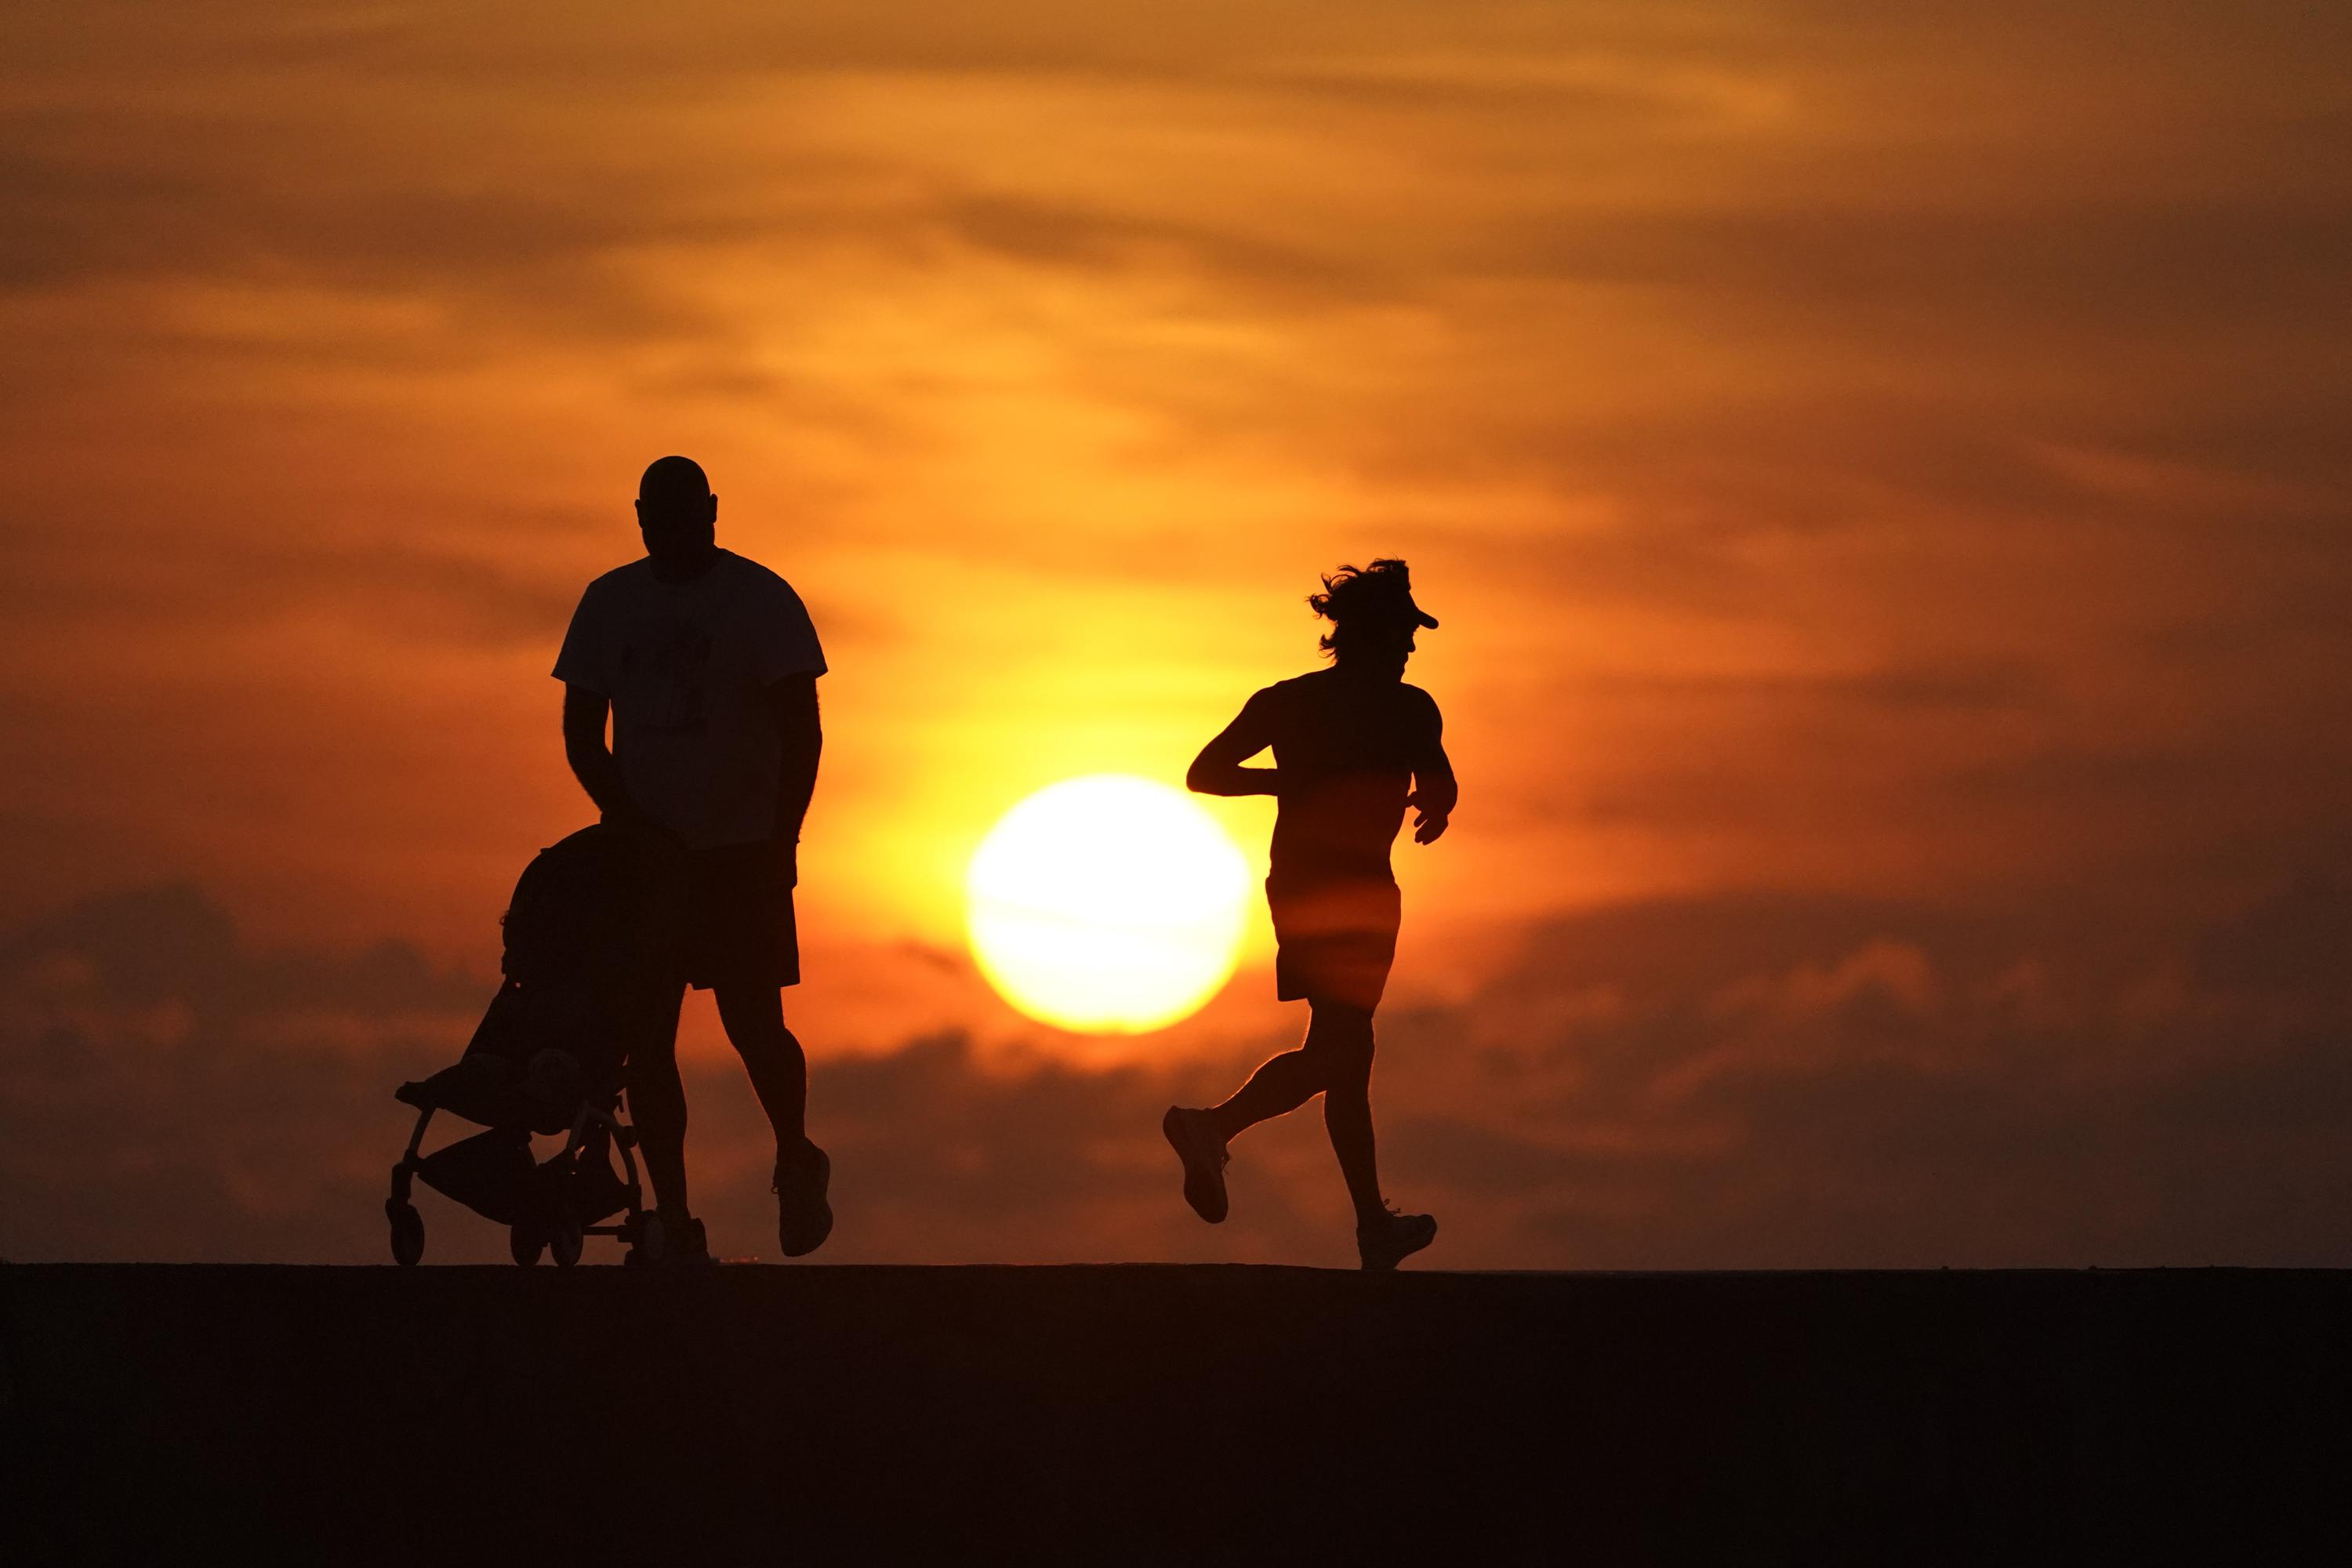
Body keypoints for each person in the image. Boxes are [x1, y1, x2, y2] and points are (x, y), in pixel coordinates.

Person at [554, 455, 833, 1262]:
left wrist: (783, 838)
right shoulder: (610, 602)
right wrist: (628, 821)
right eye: (656, 517)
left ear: (713, 510)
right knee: (647, 1041)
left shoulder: (762, 599)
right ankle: (673, 1220)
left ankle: (795, 1152)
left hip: (741, 852)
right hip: (647, 862)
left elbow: (803, 730)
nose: (672, 532)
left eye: (686, 515)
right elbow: (581, 734)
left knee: (754, 1026)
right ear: (638, 517)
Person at [1164, 559, 1457, 1271]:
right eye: (1403, 633)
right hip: (1345, 891)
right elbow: (1203, 773)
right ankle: (1213, 1126)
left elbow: (1439, 782)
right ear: (1369, 633)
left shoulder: (1304, 703)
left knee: (1347, 1056)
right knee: (1346, 1050)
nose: (1412, 648)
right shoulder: (1393, 706)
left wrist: (1430, 803)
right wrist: (1432, 804)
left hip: (1315, 885)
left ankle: (1370, 1226)